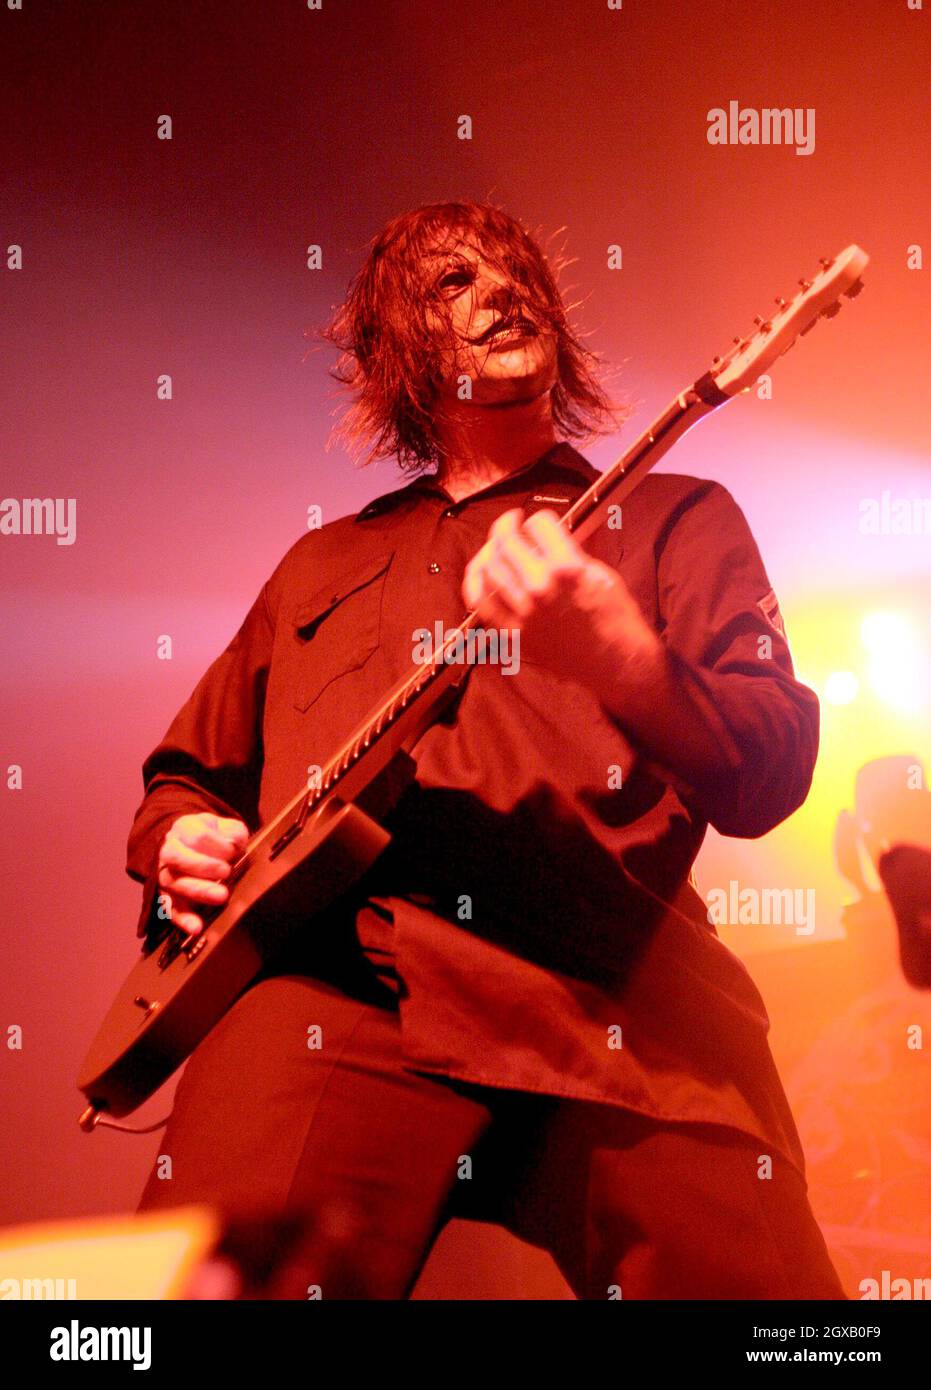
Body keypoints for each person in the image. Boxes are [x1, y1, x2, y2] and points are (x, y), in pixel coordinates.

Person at [128, 201, 844, 1300]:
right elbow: (187, 772)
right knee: (200, 1295)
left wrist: (621, 655)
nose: (500, 291)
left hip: (626, 998)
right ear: (394, 351)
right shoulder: (320, 562)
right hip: (339, 977)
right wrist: (180, 835)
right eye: (452, 284)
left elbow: (771, 767)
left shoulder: (676, 514)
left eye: (514, 273)